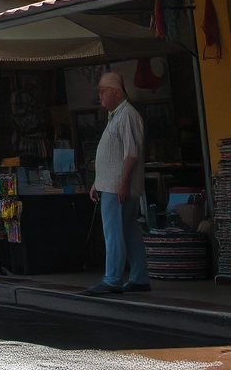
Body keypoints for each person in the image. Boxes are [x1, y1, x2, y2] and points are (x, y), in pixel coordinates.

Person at [87, 71, 150, 295]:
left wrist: (122, 183)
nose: (100, 96)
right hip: (112, 185)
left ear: (116, 91)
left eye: (102, 91)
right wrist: (98, 182)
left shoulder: (126, 115)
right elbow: (115, 155)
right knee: (129, 231)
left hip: (117, 188)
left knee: (113, 232)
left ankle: (112, 279)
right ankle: (140, 277)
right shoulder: (116, 115)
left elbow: (131, 154)